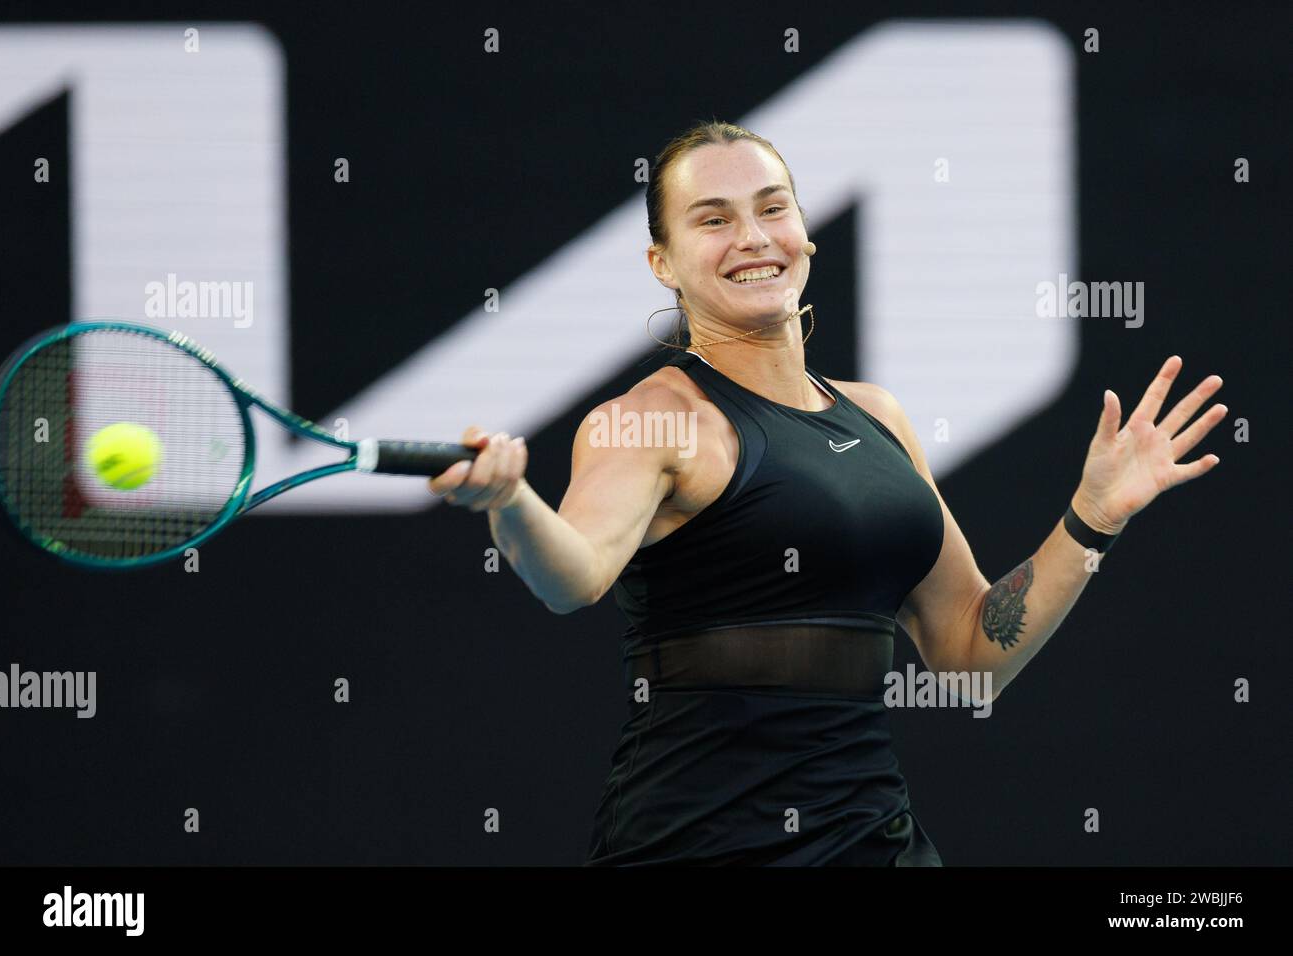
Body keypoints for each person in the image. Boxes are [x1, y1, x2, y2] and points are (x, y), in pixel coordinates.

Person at [426, 120, 1226, 865]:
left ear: (804, 231)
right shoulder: (649, 420)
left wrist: (1090, 520)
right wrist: (511, 502)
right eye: (712, 219)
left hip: (874, 837)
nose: (752, 238)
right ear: (662, 262)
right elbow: (575, 576)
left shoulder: (878, 414)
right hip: (696, 840)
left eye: (772, 208)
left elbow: (970, 653)